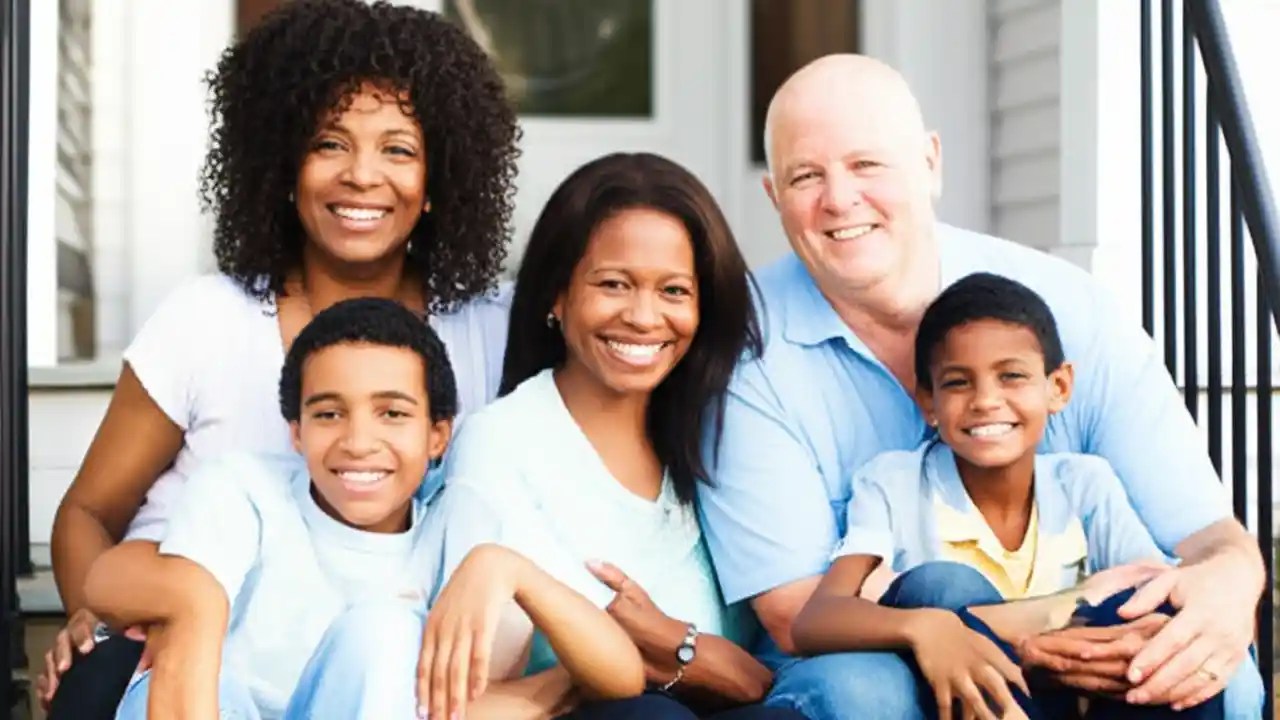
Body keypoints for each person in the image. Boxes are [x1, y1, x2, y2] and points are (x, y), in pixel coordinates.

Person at [697, 53, 1264, 718]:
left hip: (1077, 662)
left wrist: (1228, 593)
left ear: (930, 162)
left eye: (867, 164)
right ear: (774, 197)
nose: (839, 198)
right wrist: (1038, 626)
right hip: (874, 664)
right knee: (861, 691)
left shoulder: (1065, 310)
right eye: (806, 176)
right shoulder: (743, 351)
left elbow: (1210, 541)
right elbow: (799, 616)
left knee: (1206, 669)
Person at [39, 1, 520, 715]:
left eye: (398, 149)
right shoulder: (208, 319)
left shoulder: (488, 326)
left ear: (440, 178)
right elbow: (86, 509)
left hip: (385, 660)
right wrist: (95, 612)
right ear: (281, 165)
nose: (362, 175)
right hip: (191, 646)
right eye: (329, 143)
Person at [82, 297, 644, 719]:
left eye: (393, 414)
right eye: (329, 415)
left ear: (438, 436)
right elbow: (115, 591)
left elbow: (620, 673)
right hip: (213, 709)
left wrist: (508, 568)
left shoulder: (458, 517)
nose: (357, 441)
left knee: (384, 632)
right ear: (296, 433)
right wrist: (195, 601)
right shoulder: (244, 489)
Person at [429, 152, 808, 720]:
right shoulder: (503, 444)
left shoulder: (720, 432)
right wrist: (690, 660)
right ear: (557, 296)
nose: (643, 316)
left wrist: (672, 645)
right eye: (613, 284)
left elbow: (753, 678)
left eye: (674, 291)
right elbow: (472, 684)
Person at [791, 272, 1225, 719]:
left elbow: (1145, 589)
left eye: (1012, 376)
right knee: (939, 585)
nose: (985, 401)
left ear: (1058, 388)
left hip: (1077, 697)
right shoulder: (893, 484)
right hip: (964, 700)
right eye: (958, 382)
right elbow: (815, 621)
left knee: (1152, 633)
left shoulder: (1083, 482)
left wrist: (1037, 644)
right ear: (928, 401)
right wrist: (928, 626)